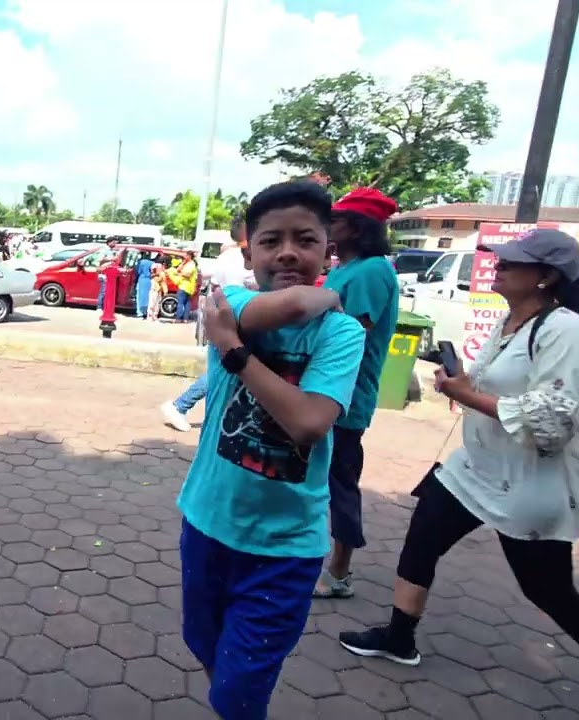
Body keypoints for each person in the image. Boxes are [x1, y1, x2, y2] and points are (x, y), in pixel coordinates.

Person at [338, 229, 579, 720]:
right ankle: (399, 636)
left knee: (548, 591)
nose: (498, 267)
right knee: (422, 535)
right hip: (475, 468)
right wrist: (460, 381)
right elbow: (492, 386)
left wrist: (466, 395)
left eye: (512, 263)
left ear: (546, 277)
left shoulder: (563, 330)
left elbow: (554, 420)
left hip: (529, 482)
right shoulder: (514, 321)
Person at [180, 180, 364, 719]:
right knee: (205, 649)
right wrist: (321, 293)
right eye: (271, 241)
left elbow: (309, 422)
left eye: (305, 240)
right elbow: (292, 306)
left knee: (240, 692)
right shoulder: (230, 301)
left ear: (327, 249)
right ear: (248, 252)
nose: (287, 252)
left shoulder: (341, 334)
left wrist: (234, 351)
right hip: (206, 523)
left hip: (283, 548)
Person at [313, 187, 401, 599]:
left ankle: (340, 572)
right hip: (324, 388)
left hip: (344, 396)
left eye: (335, 220)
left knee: (340, 482)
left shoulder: (370, 271)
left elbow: (353, 329)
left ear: (357, 228)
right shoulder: (345, 268)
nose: (327, 226)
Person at [161, 218, 251, 431]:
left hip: (221, 313)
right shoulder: (245, 257)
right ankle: (181, 405)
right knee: (228, 368)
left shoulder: (226, 256)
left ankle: (196, 409)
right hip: (239, 316)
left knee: (228, 368)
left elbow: (212, 280)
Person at [170, 249, 199, 322]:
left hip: (185, 286)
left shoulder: (191, 265)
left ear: (189, 256)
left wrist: (179, 274)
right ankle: (185, 319)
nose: (184, 257)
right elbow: (178, 269)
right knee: (187, 303)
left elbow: (188, 274)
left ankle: (178, 318)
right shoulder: (188, 264)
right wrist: (183, 263)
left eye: (186, 255)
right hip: (188, 287)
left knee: (180, 302)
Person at [96, 237, 120, 312]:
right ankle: (99, 307)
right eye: (113, 242)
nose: (115, 244)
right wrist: (111, 259)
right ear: (109, 242)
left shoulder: (112, 251)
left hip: (110, 273)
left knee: (107, 291)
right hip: (103, 273)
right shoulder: (104, 250)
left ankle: (105, 306)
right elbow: (100, 259)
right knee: (103, 290)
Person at [134, 252, 155, 318]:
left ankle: (139, 312)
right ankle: (146, 311)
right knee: (148, 296)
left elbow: (137, 271)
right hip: (149, 280)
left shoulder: (141, 262)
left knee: (139, 296)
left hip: (142, 280)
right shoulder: (152, 263)